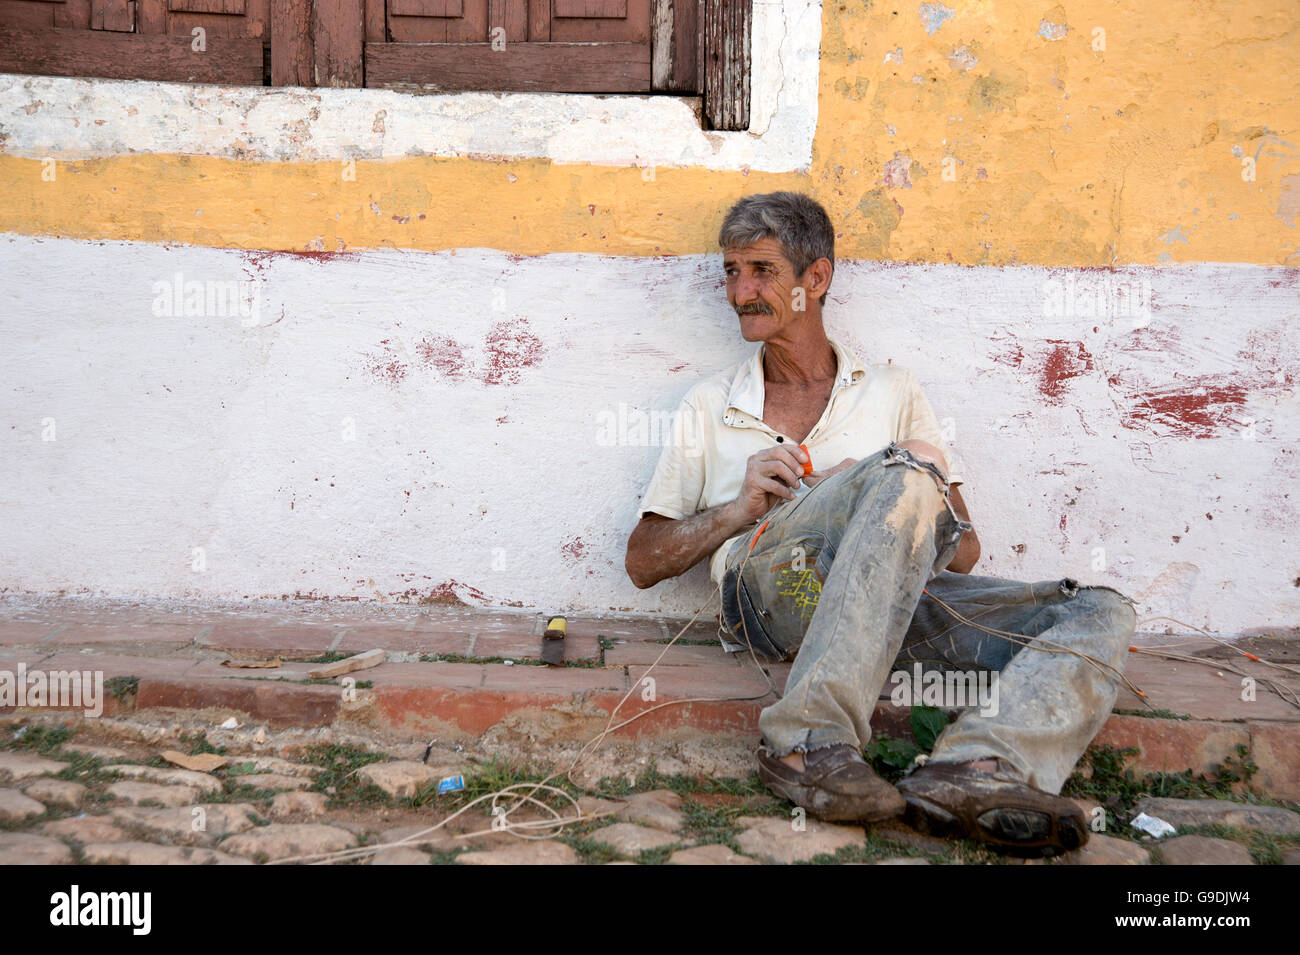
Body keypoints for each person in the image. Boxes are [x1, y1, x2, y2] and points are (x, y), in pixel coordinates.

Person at [624, 191, 1137, 858]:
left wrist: (870, 484)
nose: (739, 292)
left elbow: (966, 550)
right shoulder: (710, 403)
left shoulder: (893, 390)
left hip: (889, 604)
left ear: (817, 278)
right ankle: (807, 742)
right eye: (730, 271)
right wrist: (740, 508)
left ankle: (979, 767)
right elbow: (642, 561)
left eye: (761, 271)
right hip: (774, 594)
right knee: (902, 471)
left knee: (1099, 611)